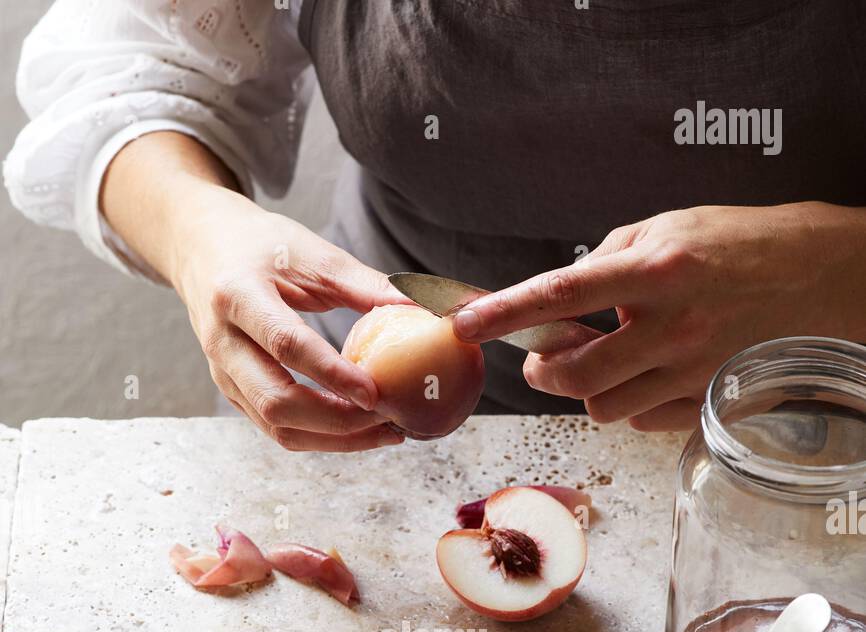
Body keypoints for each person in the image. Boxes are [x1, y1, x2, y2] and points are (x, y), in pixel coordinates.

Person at [6, 0, 866, 451]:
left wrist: (844, 276)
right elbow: (133, 61)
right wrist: (199, 234)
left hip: (809, 459)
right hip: (375, 427)